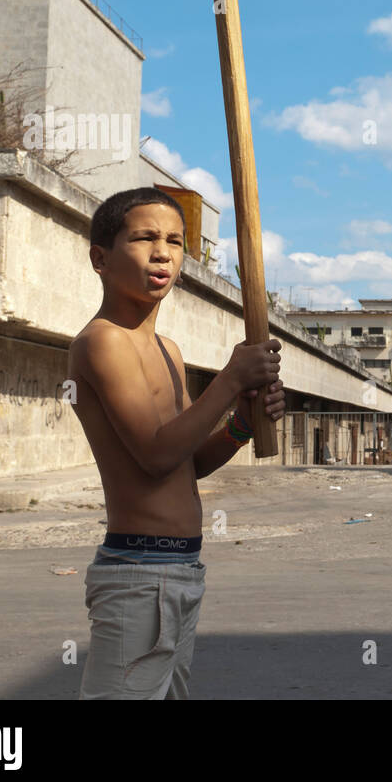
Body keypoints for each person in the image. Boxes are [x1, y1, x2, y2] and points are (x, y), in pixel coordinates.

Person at [68, 188, 285, 699]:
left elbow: (189, 463)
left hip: (181, 569)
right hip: (138, 573)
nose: (163, 251)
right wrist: (231, 381)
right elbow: (155, 453)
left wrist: (242, 424)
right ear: (100, 257)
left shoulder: (168, 348)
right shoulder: (101, 341)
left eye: (175, 241)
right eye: (143, 237)